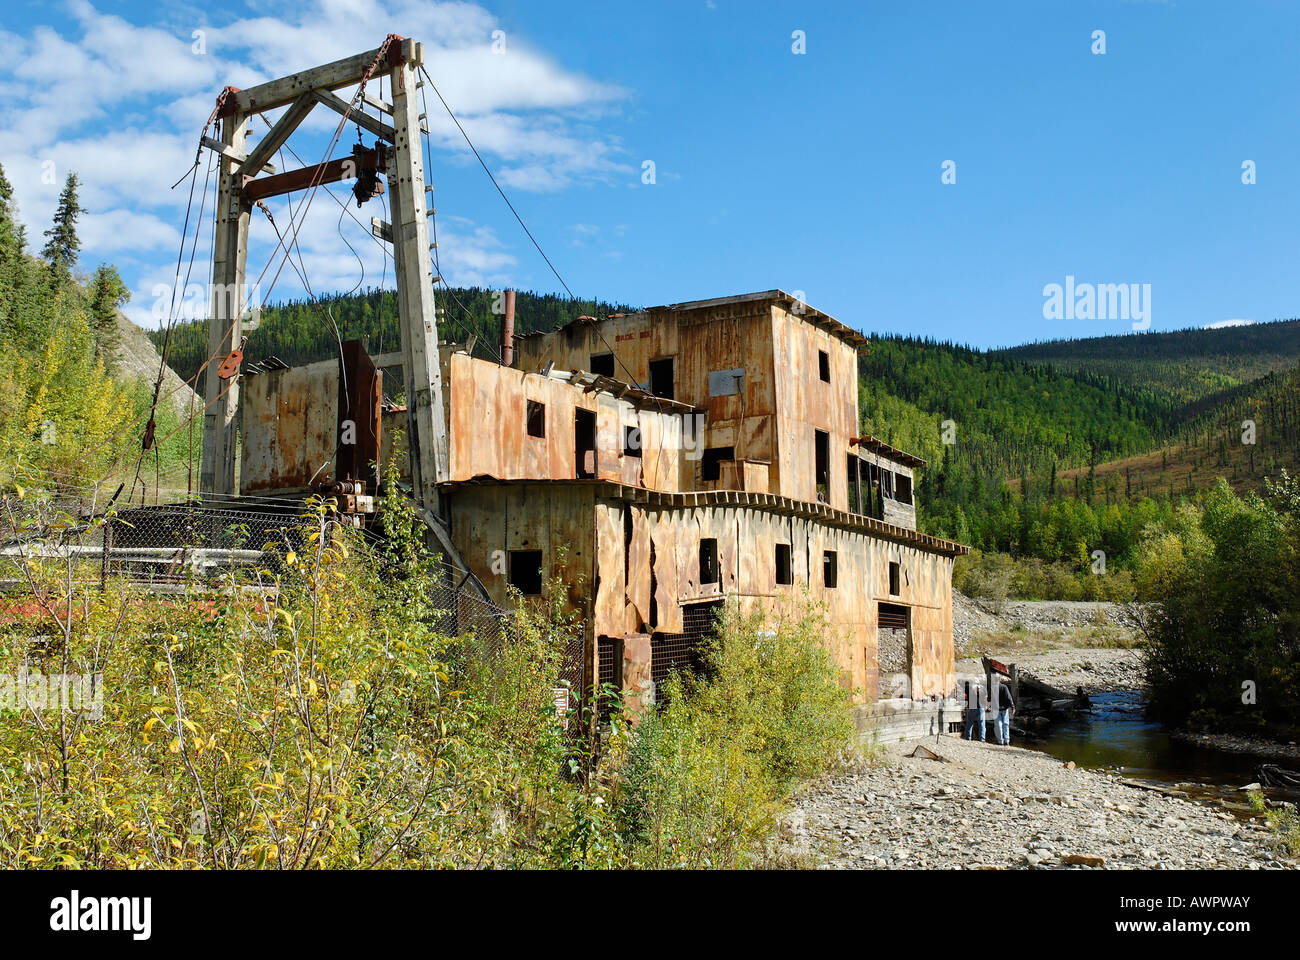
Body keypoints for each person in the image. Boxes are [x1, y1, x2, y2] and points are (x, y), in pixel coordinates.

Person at [993, 679, 1015, 745]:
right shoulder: (1004, 687)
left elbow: (989, 699)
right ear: (999, 680)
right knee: (1006, 724)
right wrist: (1012, 706)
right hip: (1005, 709)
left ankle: (1000, 741)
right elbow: (1008, 697)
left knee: (998, 725)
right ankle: (1007, 741)